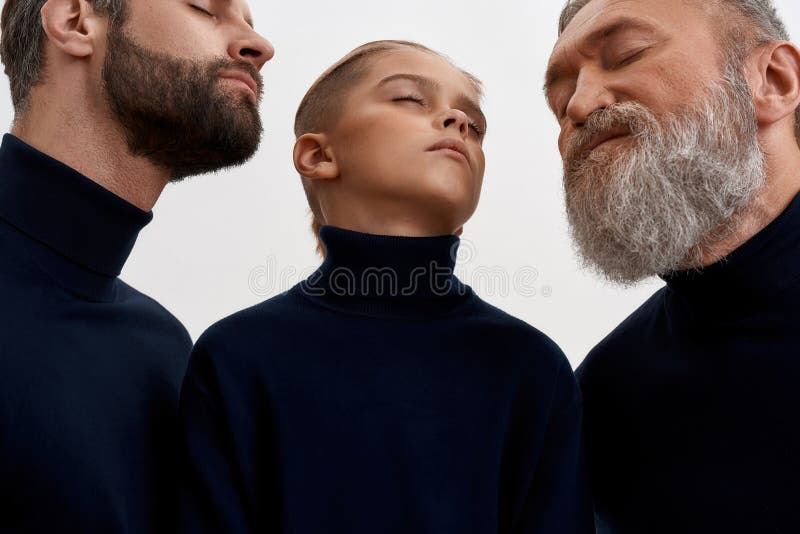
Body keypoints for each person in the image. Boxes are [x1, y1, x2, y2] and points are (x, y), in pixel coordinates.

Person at [179, 40, 594, 534]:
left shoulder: (532, 367)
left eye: (475, 125)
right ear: (317, 155)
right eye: (409, 99)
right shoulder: (235, 358)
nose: (458, 122)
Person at [0, 0, 273, 532]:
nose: (259, 47)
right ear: (76, 21)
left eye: (250, 23)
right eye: (206, 8)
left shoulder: (165, 355)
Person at [544, 0, 800, 532]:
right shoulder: (603, 397)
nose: (578, 105)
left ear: (773, 81)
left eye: (627, 53)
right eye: (560, 95)